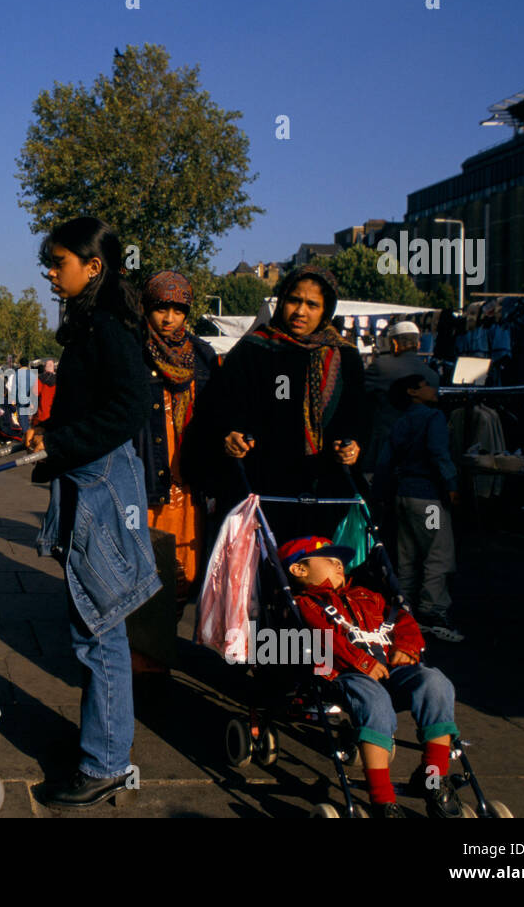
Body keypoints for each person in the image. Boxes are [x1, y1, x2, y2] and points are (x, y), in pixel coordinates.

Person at [24, 216, 160, 808]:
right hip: (91, 483)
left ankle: (105, 762)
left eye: (59, 263)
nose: (51, 274)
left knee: (98, 628)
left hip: (101, 489)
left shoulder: (106, 328)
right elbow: (96, 405)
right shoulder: (92, 326)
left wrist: (59, 441)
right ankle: (103, 749)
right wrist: (51, 431)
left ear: (94, 266)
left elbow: (129, 408)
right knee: (94, 624)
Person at [280, 536, 464, 818]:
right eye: (329, 560)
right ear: (299, 570)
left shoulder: (367, 596)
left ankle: (433, 778)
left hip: (390, 667)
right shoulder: (305, 604)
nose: (339, 565)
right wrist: (362, 661)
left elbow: (401, 618)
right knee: (372, 698)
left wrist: (407, 646)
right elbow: (324, 638)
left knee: (434, 682)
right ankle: (382, 800)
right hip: (345, 674)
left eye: (341, 562)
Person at [204, 265, 366, 538]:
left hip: (325, 490)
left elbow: (359, 415)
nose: (301, 311)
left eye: (312, 305)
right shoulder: (253, 349)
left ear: (326, 310)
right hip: (262, 490)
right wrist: (231, 433)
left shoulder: (345, 356)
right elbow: (222, 406)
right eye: (294, 300)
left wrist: (353, 445)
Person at [134, 271, 218, 625]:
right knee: (146, 572)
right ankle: (145, 663)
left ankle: (161, 642)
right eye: (160, 309)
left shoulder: (202, 355)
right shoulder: (131, 351)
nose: (169, 319)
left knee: (189, 572)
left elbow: (217, 411)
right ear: (146, 308)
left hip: (189, 482)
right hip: (147, 479)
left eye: (178, 310)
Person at [373, 375, 464, 643]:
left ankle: (406, 611)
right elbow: (438, 452)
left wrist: (378, 495)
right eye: (426, 385)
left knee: (408, 556)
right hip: (429, 500)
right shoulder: (432, 417)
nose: (433, 389)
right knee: (438, 553)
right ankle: (432, 613)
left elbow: (385, 460)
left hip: (404, 497)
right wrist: (451, 484)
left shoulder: (401, 421)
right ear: (413, 391)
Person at [362, 320, 440, 474]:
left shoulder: (381, 366)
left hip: (383, 450)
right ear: (418, 344)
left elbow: (359, 395)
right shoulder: (433, 376)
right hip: (418, 455)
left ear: (394, 344)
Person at [35, 358, 57, 425]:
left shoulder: (40, 379)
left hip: (42, 412)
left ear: (45, 367)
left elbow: (35, 394)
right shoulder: (60, 379)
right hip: (55, 412)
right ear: (53, 368)